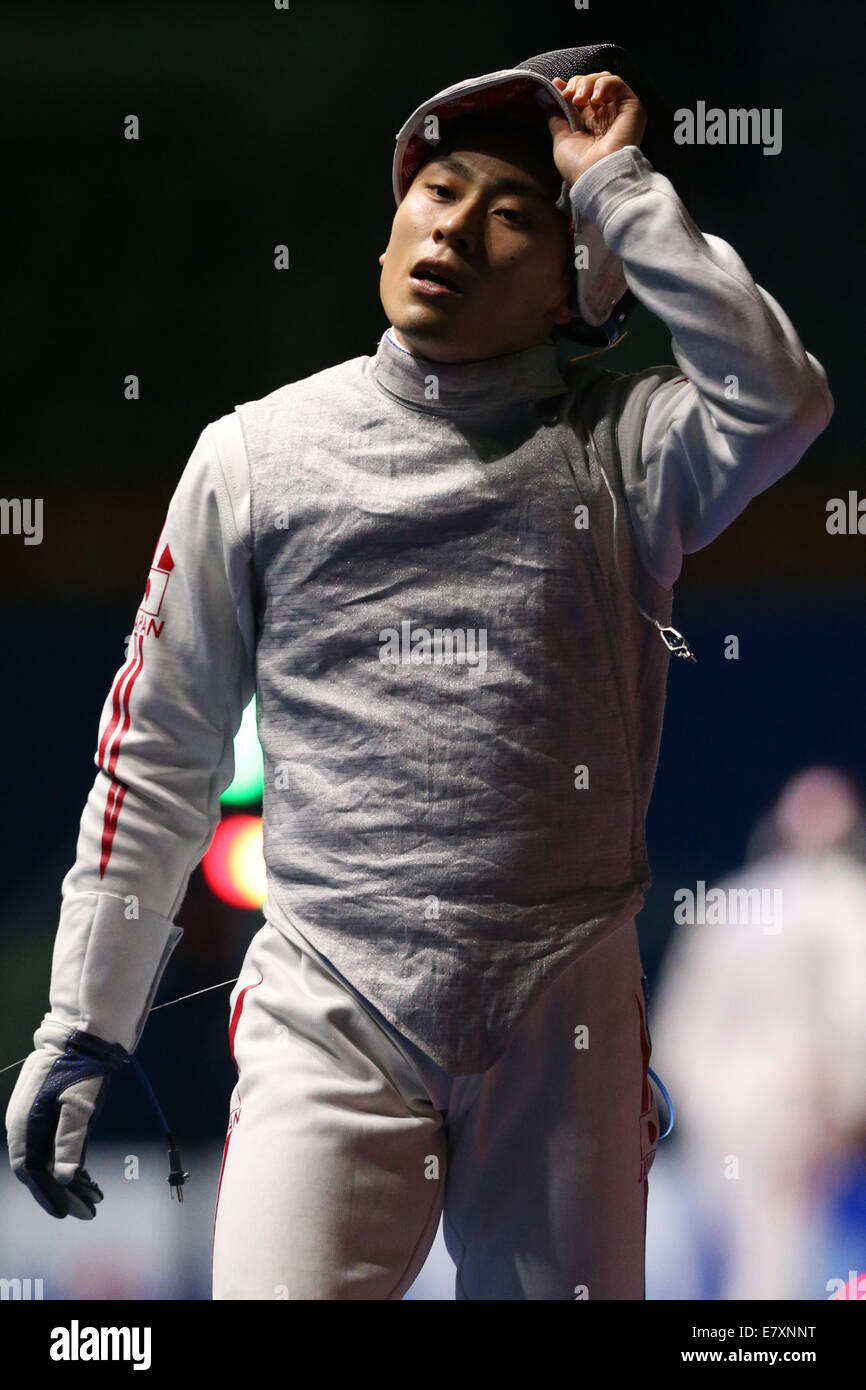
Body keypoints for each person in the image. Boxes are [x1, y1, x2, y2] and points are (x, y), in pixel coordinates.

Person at [5, 44, 834, 1300]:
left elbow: (779, 400)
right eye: (436, 191)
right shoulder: (255, 456)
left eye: (511, 215)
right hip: (328, 1001)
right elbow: (157, 758)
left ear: (574, 291)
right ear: (389, 228)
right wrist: (85, 1017)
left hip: (564, 1007)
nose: (453, 226)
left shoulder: (625, 452)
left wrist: (617, 190)